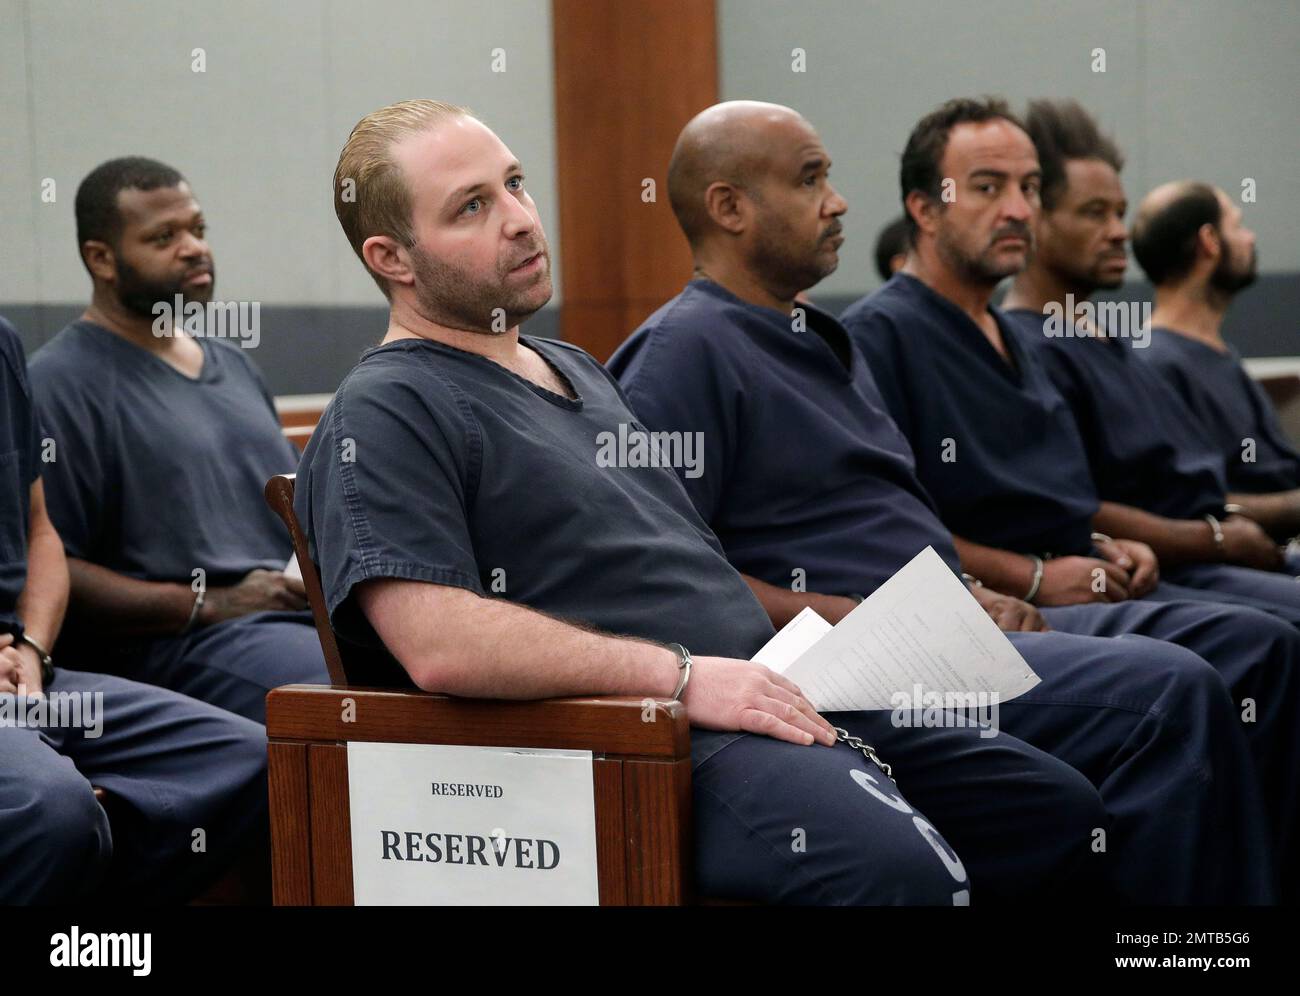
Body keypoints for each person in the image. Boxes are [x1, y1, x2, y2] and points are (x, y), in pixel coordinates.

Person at [293, 98, 1120, 906]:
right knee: (901, 876)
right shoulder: (389, 405)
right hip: (641, 738)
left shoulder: (572, 367)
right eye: (471, 206)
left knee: (1054, 817)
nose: (517, 217)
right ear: (392, 259)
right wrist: (683, 678)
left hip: (765, 686)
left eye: (515, 184)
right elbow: (440, 643)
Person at [608, 99, 1278, 904]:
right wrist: (858, 611)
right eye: (811, 179)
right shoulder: (683, 353)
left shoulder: (818, 336)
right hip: (854, 662)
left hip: (947, 624)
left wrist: (973, 588)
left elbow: (897, 521)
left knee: (1247, 650)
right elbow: (673, 583)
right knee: (1174, 696)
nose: (840, 200)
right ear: (729, 208)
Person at [842, 97, 1300, 899]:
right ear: (922, 208)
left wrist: (1111, 544)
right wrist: (1027, 573)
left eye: (1028, 187)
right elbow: (901, 525)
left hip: (1093, 581)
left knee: (1262, 643)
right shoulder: (879, 339)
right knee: (1248, 652)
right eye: (987, 188)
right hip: (998, 608)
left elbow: (1071, 498)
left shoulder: (1017, 338)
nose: (1018, 208)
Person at [28, 157, 328, 723]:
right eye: (164, 237)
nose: (193, 248)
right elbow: (53, 565)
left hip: (293, 619)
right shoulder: (58, 384)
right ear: (101, 259)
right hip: (178, 647)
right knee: (347, 694)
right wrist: (208, 603)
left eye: (197, 229)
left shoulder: (235, 365)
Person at [0, 313, 269, 904]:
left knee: (255, 761)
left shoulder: (3, 344)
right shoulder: (69, 373)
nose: (192, 249)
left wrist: (33, 649)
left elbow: (42, 533)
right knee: (54, 813)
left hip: (24, 671)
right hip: (161, 645)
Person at [1001, 98, 1300, 624]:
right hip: (1164, 573)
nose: (1119, 230)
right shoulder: (1030, 347)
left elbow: (1194, 485)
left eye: (1119, 212)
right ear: (1036, 220)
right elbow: (1079, 507)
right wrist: (1218, 539)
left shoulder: (1108, 339)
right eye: (1095, 213)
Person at [1130, 181, 1300, 541]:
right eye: (1238, 226)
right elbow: (1191, 501)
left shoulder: (1215, 352)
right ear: (1209, 241)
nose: (1251, 238)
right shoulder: (1155, 365)